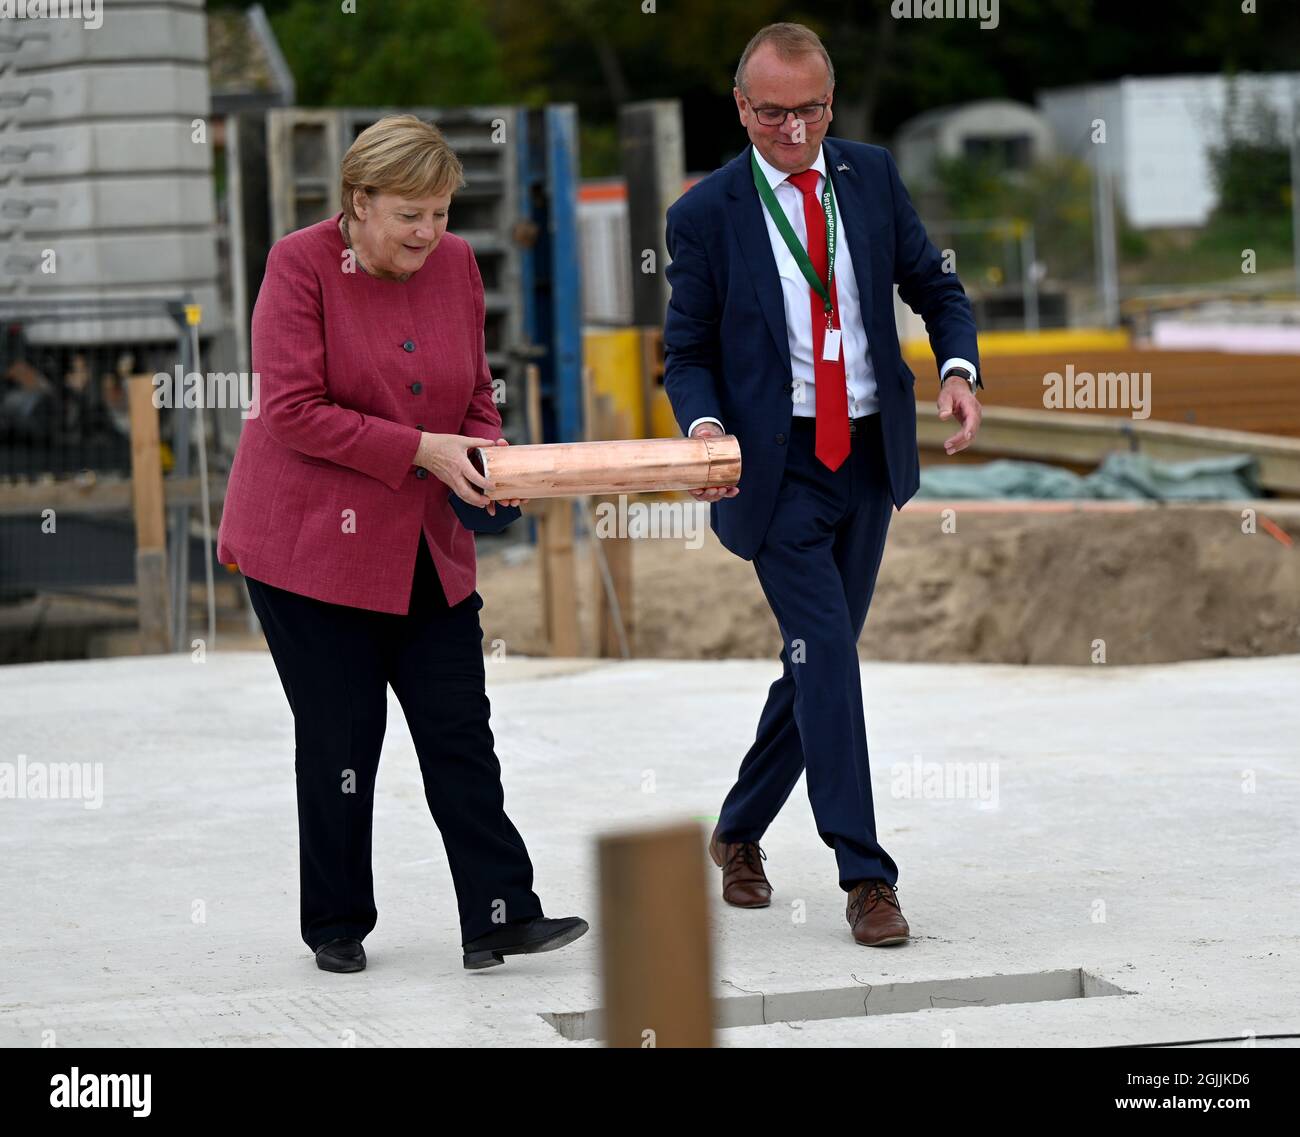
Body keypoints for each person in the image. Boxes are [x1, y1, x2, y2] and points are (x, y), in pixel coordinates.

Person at [216, 114, 587, 972]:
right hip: (308, 548)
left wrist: (486, 447)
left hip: (427, 544)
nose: (430, 233)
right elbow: (293, 410)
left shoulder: (454, 264)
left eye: (443, 214)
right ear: (358, 203)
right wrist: (421, 449)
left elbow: (472, 391)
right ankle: (337, 925)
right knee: (344, 739)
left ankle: (499, 913)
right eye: (410, 215)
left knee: (460, 729)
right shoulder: (300, 263)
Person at [663, 23, 984, 946]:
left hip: (871, 456)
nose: (794, 131)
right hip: (778, 471)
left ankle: (737, 831)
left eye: (809, 111)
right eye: (773, 114)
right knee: (831, 657)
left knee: (817, 658)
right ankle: (866, 877)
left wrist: (957, 366)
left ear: (830, 105)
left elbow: (936, 286)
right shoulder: (706, 214)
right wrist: (708, 428)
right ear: (740, 107)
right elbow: (684, 354)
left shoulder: (871, 175)